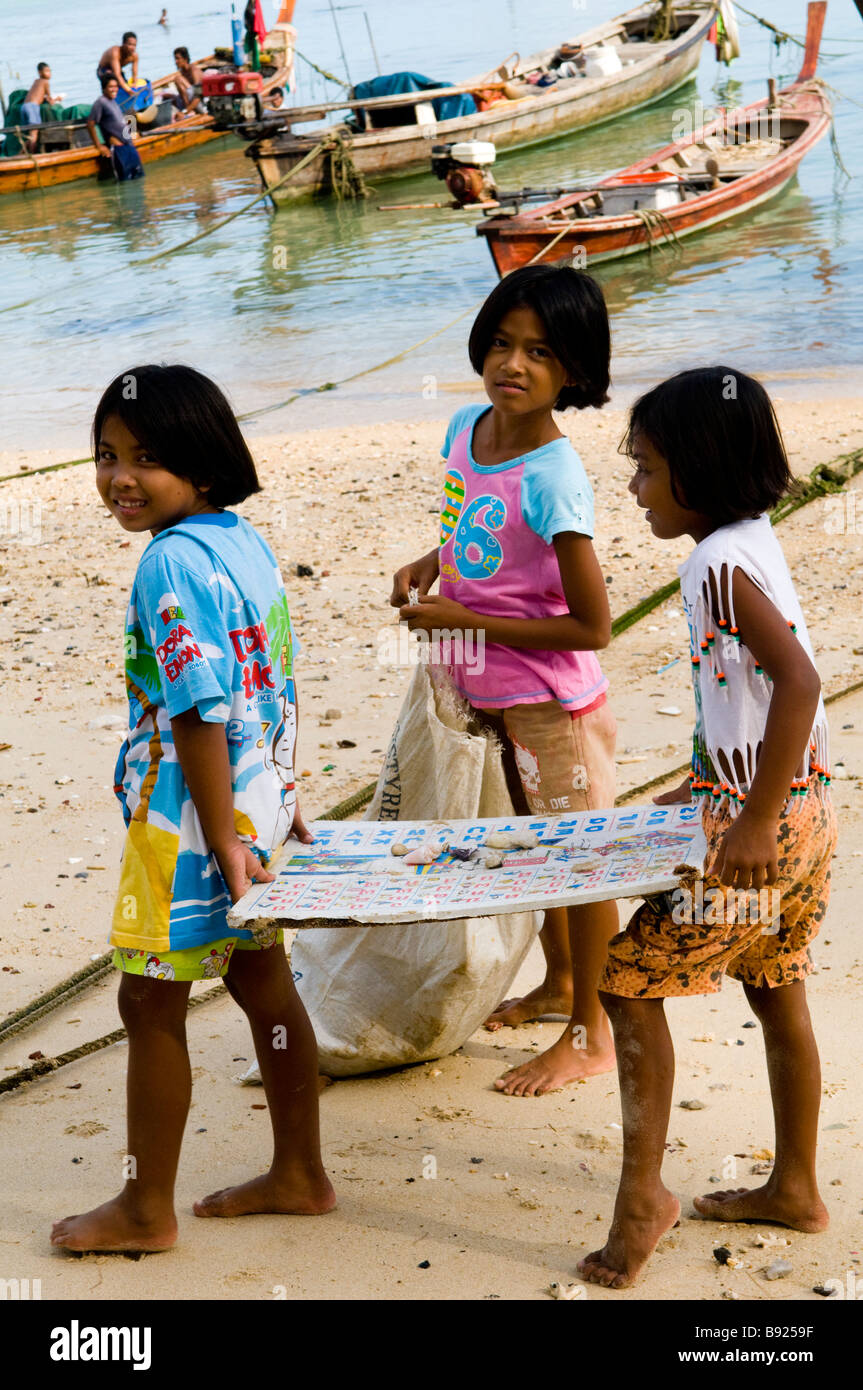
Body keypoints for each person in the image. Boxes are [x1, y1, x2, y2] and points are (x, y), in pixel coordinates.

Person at [51, 365, 335, 1254]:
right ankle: (300, 1172)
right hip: (249, 807)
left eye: (147, 458)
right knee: (262, 981)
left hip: (190, 824)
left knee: (150, 1003)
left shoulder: (168, 563)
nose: (120, 477)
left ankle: (146, 1208)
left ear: (204, 466)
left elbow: (200, 706)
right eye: (107, 454)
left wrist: (217, 835)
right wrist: (274, 797)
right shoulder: (237, 540)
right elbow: (273, 674)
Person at [579, 366, 837, 1289]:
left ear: (697, 467)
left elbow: (799, 682)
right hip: (803, 808)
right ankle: (796, 1186)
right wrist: (712, 791)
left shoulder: (714, 566)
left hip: (763, 827)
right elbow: (751, 701)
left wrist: (750, 817)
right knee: (776, 986)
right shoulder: (748, 540)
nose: (635, 487)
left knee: (623, 981)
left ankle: (642, 1197)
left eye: (645, 469)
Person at [391, 264, 619, 1098]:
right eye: (499, 343)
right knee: (536, 848)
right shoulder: (465, 427)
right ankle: (560, 984)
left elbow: (593, 626)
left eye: (538, 353)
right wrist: (431, 563)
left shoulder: (555, 475)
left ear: (576, 374)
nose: (511, 365)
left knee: (581, 860)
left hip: (549, 703)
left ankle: (593, 1030)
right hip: (483, 686)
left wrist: (468, 622)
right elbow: (462, 527)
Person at [86, 75, 144, 180]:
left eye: (116, 86)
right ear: (104, 89)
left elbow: (120, 122)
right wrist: (99, 146)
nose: (114, 89)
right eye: (111, 87)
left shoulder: (113, 101)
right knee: (125, 181)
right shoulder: (100, 103)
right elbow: (90, 123)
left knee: (139, 177)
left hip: (129, 146)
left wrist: (133, 132)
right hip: (119, 149)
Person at [22, 61, 60, 151]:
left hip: (24, 107)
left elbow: (40, 95)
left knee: (30, 135)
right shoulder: (45, 82)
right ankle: (32, 156)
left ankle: (20, 153)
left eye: (50, 71)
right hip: (32, 107)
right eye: (46, 71)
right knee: (34, 134)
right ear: (40, 72)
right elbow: (50, 100)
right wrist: (57, 99)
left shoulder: (36, 81)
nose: (49, 73)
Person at [172, 46, 204, 112]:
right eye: (175, 59)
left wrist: (186, 111)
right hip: (191, 103)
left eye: (178, 59)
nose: (176, 62)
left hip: (201, 104)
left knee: (178, 79)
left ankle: (189, 111)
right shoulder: (182, 71)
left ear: (185, 59)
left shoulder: (194, 71)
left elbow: (198, 96)